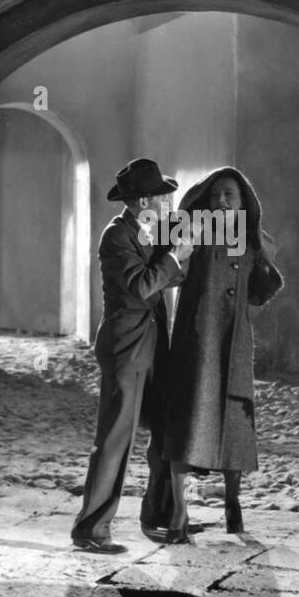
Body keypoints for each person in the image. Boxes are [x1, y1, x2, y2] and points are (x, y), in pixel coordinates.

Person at [70, 158, 192, 554]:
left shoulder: (152, 228)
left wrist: (180, 255)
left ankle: (158, 514)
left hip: (153, 344)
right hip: (126, 347)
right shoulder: (116, 236)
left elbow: (175, 270)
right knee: (115, 438)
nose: (167, 202)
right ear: (143, 202)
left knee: (164, 429)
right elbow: (144, 286)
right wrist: (175, 258)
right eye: (161, 197)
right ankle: (91, 529)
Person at [162, 167, 283, 541]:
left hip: (233, 343)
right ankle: (179, 513)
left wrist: (259, 257)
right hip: (195, 341)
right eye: (215, 195)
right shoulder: (189, 231)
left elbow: (262, 288)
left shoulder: (252, 239)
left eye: (230, 194)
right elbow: (167, 259)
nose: (222, 201)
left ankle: (234, 504)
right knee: (186, 422)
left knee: (234, 423)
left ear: (243, 200)